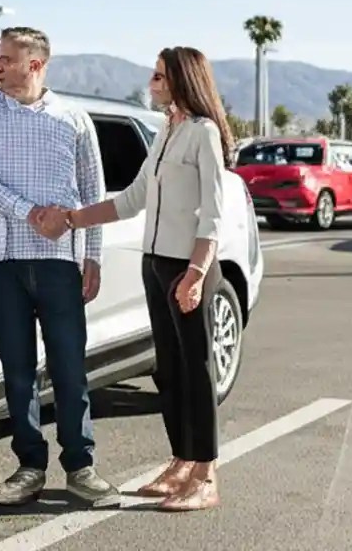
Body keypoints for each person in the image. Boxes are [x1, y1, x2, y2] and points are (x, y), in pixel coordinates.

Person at [37, 46, 234, 512]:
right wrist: (72, 218)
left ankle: (206, 473)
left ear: (184, 81)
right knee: (169, 369)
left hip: (190, 268)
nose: (152, 83)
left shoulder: (203, 134)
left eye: (160, 77)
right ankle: (181, 460)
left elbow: (213, 213)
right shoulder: (168, 130)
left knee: (197, 370)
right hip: (156, 264)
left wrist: (196, 271)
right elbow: (132, 200)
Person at [0, 26, 119, 508]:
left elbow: (94, 191)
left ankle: (81, 467)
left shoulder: (73, 118)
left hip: (59, 262)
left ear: (35, 64)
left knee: (70, 366)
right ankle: (29, 466)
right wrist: (30, 212)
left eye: (7, 58)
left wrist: (92, 254)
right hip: (1, 258)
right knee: (17, 371)